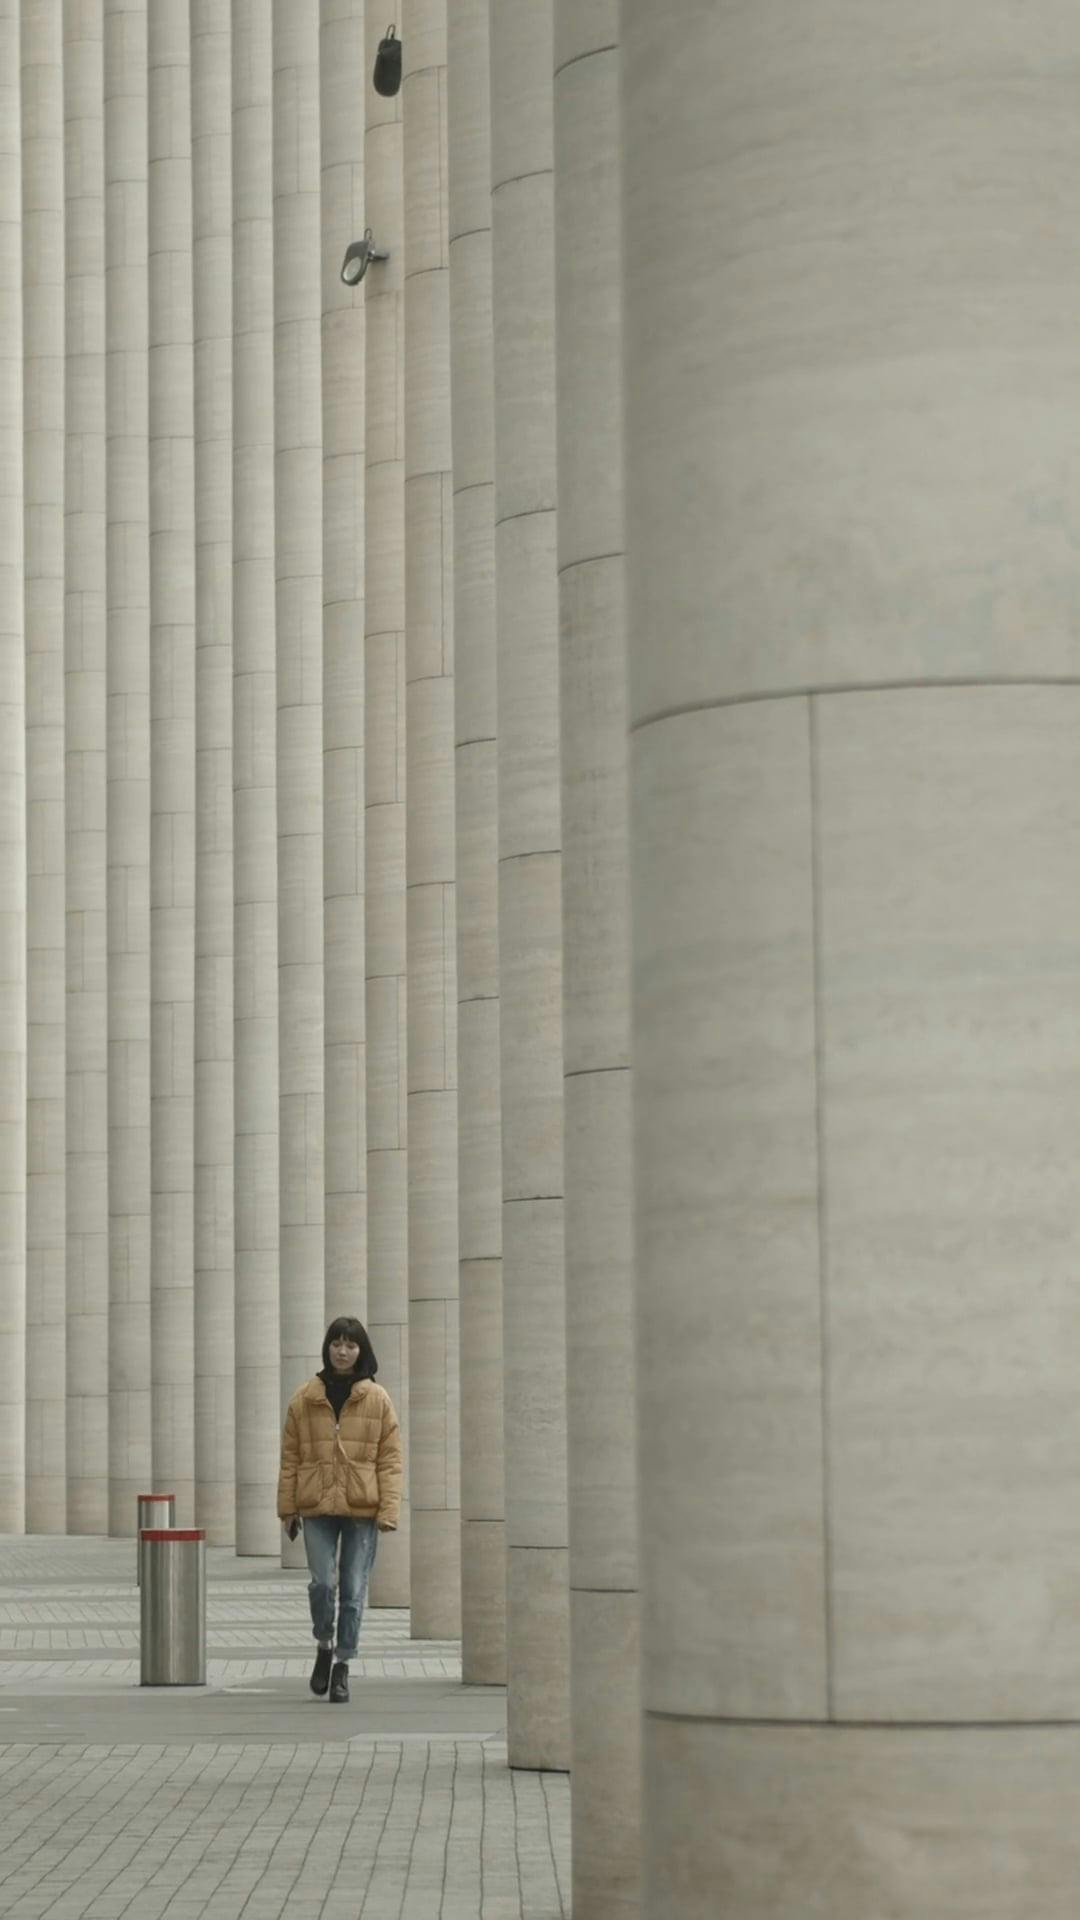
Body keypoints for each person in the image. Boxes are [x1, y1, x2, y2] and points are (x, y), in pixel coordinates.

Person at [277, 1316, 403, 1704]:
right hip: (316, 1504)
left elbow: (390, 1458)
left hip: (361, 1506)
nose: (343, 1351)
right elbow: (290, 1456)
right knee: (322, 1584)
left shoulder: (377, 1399)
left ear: (361, 1350)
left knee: (352, 1590)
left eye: (350, 1344)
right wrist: (287, 1508)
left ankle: (343, 1664)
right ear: (327, 1347)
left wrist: (389, 1510)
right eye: (337, 1343)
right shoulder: (304, 1397)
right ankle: (324, 1644)